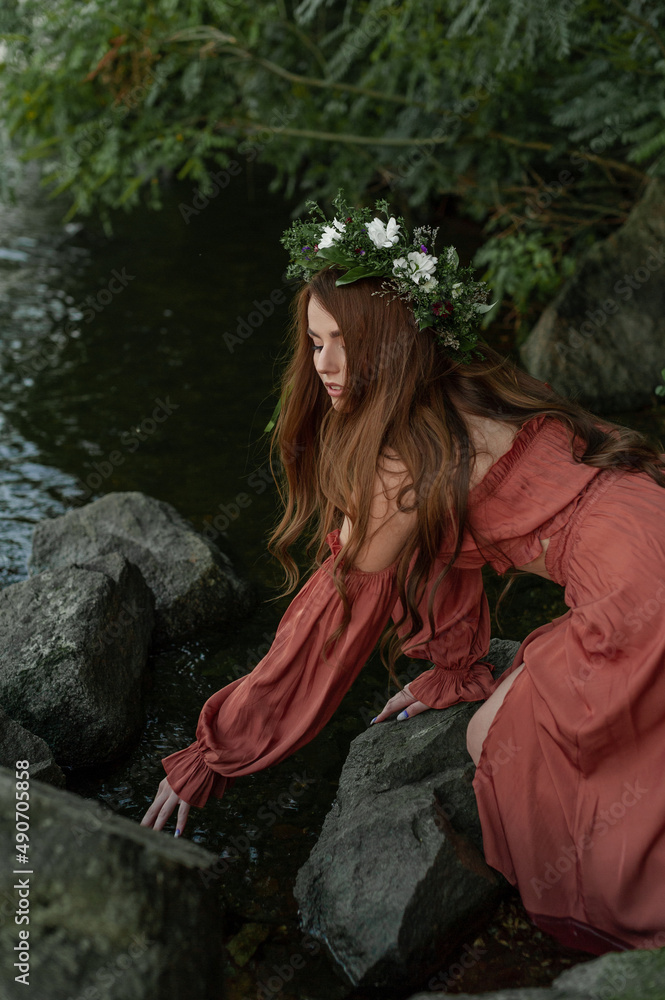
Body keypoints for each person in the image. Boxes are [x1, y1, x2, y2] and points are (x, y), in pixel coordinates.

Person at [140, 194, 665, 958]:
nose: (324, 365)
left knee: (494, 748)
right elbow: (445, 548)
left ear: (391, 342)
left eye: (344, 343)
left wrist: (214, 756)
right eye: (314, 343)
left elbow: (328, 629)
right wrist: (454, 669)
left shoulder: (397, 464)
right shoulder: (462, 389)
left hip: (636, 591)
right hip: (649, 524)